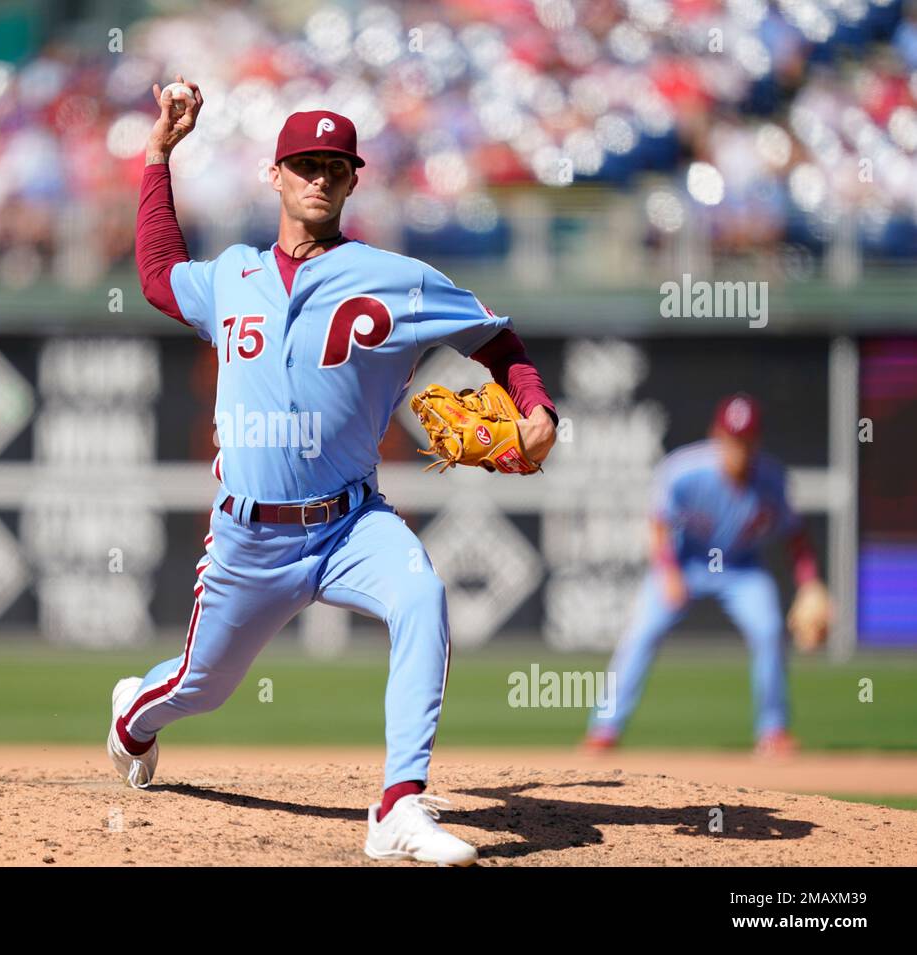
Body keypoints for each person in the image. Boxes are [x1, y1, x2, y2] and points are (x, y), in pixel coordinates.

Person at [109, 75, 559, 865]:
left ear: (354, 179)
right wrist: (157, 155)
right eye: (306, 163)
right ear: (274, 175)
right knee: (197, 689)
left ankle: (398, 805)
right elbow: (155, 273)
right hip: (249, 539)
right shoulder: (231, 276)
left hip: (353, 522)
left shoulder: (398, 279)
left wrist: (536, 407)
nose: (320, 177)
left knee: (420, 593)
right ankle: (132, 720)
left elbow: (498, 339)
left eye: (335, 166)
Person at [584, 393, 831, 757]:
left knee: (768, 630)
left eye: (746, 441)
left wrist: (810, 583)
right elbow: (658, 523)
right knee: (641, 632)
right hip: (685, 562)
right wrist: (668, 573)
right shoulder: (684, 470)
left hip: (740, 568)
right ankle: (604, 729)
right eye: (732, 440)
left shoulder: (772, 480)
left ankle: (773, 730)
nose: (739, 449)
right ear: (717, 434)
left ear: (757, 441)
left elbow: (795, 535)